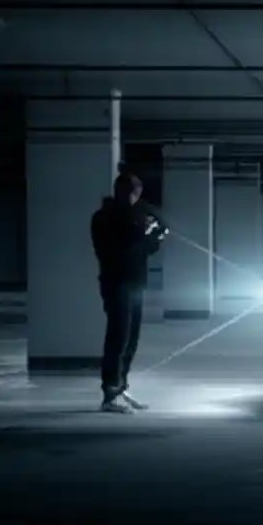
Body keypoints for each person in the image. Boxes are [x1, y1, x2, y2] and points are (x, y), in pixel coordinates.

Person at [90, 172, 167, 413]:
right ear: (122, 192)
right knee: (118, 337)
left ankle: (120, 387)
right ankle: (110, 393)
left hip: (136, 283)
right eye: (132, 194)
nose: (134, 199)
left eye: (137, 195)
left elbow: (148, 247)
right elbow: (116, 250)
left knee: (132, 338)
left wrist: (155, 233)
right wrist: (142, 233)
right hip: (116, 284)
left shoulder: (136, 216)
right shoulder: (104, 218)